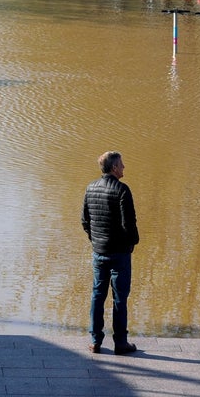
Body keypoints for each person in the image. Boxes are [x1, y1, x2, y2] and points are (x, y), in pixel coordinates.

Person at [82, 150, 139, 355]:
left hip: (99, 252)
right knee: (120, 297)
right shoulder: (122, 190)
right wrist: (132, 243)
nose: (124, 167)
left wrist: (95, 240)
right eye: (121, 164)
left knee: (98, 295)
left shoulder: (90, 188)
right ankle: (120, 342)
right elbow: (129, 224)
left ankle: (95, 340)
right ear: (114, 167)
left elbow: (85, 221)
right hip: (119, 254)